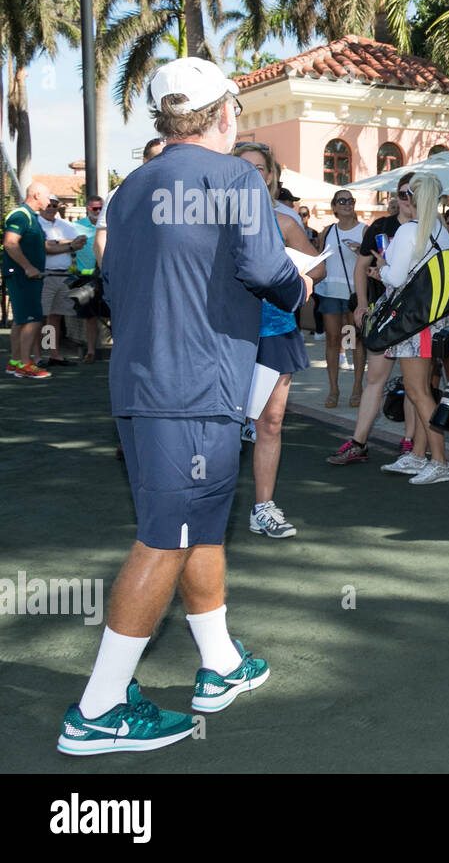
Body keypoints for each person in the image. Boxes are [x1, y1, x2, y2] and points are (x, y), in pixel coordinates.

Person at [58, 57, 311, 756]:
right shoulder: (233, 176)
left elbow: (115, 276)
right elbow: (266, 270)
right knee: (167, 535)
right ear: (227, 113)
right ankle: (99, 708)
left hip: (141, 386)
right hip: (193, 387)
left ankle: (220, 662)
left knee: (196, 522)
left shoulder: (133, 185)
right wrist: (299, 291)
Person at [233, 143, 326, 538]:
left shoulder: (284, 223)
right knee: (222, 424)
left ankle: (263, 507)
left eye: (260, 169)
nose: (254, 175)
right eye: (245, 168)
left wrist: (302, 280)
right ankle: (204, 504)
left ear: (270, 176)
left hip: (275, 332)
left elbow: (318, 270)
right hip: (226, 334)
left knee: (270, 422)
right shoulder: (211, 221)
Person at [371, 170, 449, 486]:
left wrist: (381, 269)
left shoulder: (411, 231)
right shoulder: (440, 231)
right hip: (431, 320)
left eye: (405, 194)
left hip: (411, 321)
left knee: (419, 392)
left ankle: (439, 461)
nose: (400, 199)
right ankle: (421, 455)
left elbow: (395, 278)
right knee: (423, 391)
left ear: (414, 198)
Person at [325, 196, 405, 466]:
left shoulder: (427, 227)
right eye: (401, 195)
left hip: (413, 314)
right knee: (340, 341)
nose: (404, 201)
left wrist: (380, 270)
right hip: (339, 293)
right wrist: (362, 302)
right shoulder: (372, 228)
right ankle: (339, 394)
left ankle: (416, 447)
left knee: (416, 386)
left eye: (350, 200)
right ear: (334, 206)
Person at [314, 189, 366, 408]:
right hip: (330, 292)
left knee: (354, 340)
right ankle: (334, 388)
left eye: (350, 200)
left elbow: (376, 259)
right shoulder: (327, 232)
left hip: (355, 293)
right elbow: (319, 259)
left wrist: (361, 250)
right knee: (333, 339)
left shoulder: (365, 231)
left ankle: (357, 387)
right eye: (341, 201)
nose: (346, 204)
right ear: (334, 207)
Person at [3, 181, 54, 379]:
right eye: (47, 197)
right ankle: (25, 363)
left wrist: (70, 246)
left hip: (26, 275)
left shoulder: (31, 218)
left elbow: (40, 247)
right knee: (33, 318)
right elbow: (10, 243)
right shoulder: (20, 215)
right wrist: (28, 267)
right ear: (36, 196)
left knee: (21, 319)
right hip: (22, 275)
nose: (49, 202)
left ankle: (15, 362)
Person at [95, 137, 165, 268]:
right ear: (145, 161)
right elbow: (101, 238)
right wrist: (108, 276)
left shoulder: (181, 193)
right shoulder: (119, 193)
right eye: (156, 158)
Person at [37, 195, 86, 367]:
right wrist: (68, 245)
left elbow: (80, 242)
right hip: (45, 275)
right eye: (48, 205)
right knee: (40, 317)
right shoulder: (36, 223)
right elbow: (45, 248)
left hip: (63, 276)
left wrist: (59, 244)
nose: (51, 208)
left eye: (54, 205)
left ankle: (53, 355)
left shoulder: (65, 225)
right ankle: (37, 356)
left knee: (55, 317)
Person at [72, 195, 104, 363]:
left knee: (116, 313)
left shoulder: (110, 225)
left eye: (100, 208)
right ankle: (90, 351)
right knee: (89, 316)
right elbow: (65, 246)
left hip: (106, 277)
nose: (98, 211)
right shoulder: (75, 227)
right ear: (87, 209)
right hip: (85, 278)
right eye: (94, 208)